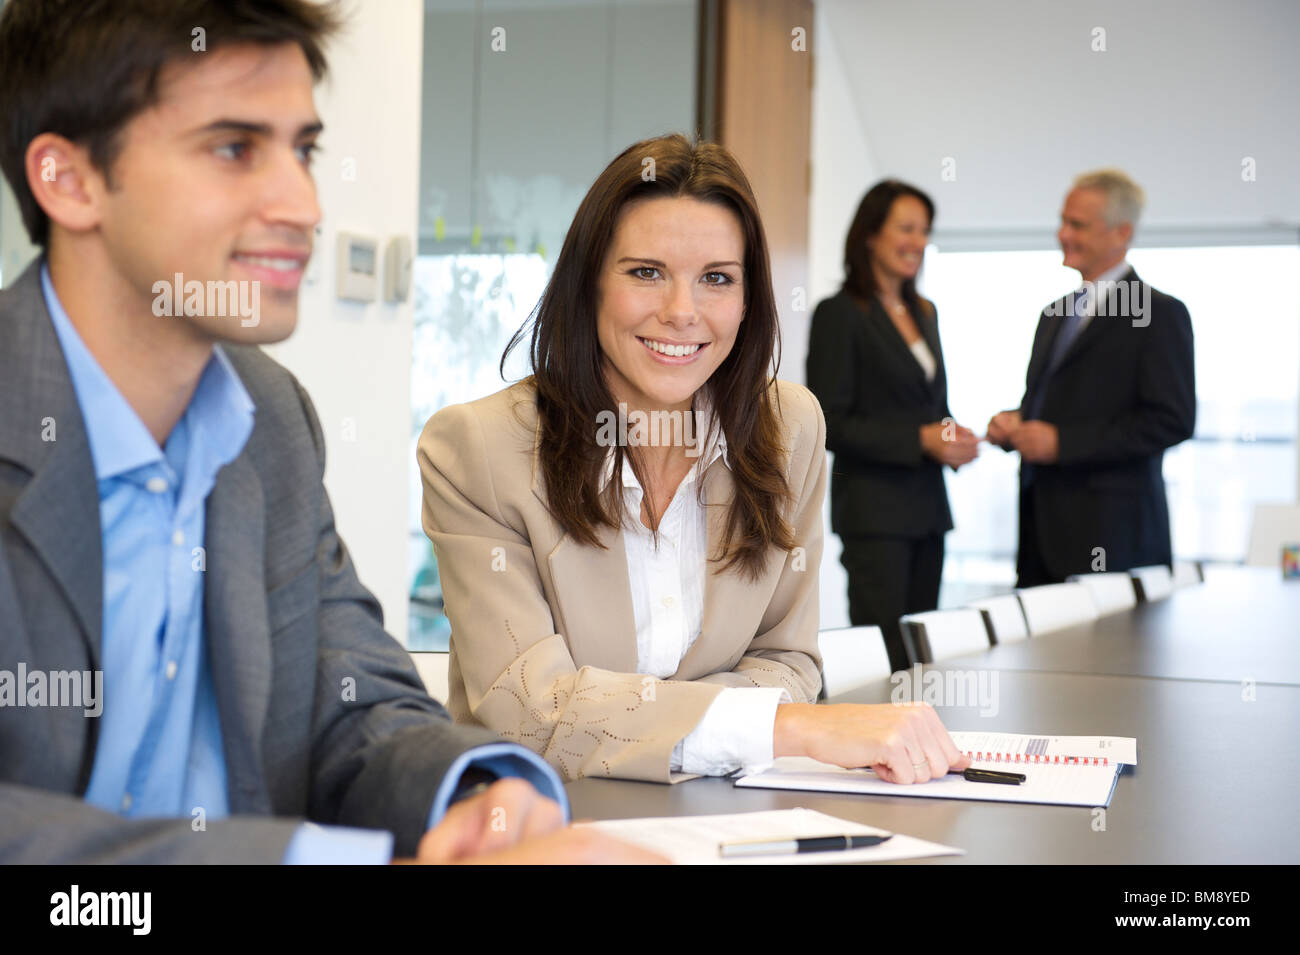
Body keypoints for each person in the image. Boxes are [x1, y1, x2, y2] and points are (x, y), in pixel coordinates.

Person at [0, 0, 657, 864]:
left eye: (301, 150)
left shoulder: (269, 421)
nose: (303, 204)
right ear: (68, 180)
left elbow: (354, 702)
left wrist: (475, 802)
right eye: (235, 148)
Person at [418, 134, 971, 785]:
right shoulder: (478, 448)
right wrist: (780, 727)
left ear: (748, 298)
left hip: (723, 815)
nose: (682, 312)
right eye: (645, 272)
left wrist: (650, 724)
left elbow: (786, 658)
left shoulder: (788, 428)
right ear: (589, 281)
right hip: (549, 821)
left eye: (716, 278)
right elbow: (528, 709)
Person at [986, 170, 1195, 586]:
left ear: (1122, 233)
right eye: (1063, 221)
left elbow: (1172, 420)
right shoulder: (1053, 314)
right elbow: (1049, 404)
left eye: (1077, 224)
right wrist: (1015, 422)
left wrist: (1061, 443)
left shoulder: (1159, 313)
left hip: (1115, 543)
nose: (1063, 234)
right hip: (1039, 540)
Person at [806, 181, 978, 673]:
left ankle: (922, 747)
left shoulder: (925, 313)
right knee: (887, 656)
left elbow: (930, 406)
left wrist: (950, 437)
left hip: (928, 510)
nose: (918, 242)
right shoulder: (840, 314)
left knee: (923, 654)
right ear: (870, 236)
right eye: (906, 228)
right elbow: (830, 423)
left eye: (924, 231)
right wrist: (919, 440)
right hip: (875, 516)